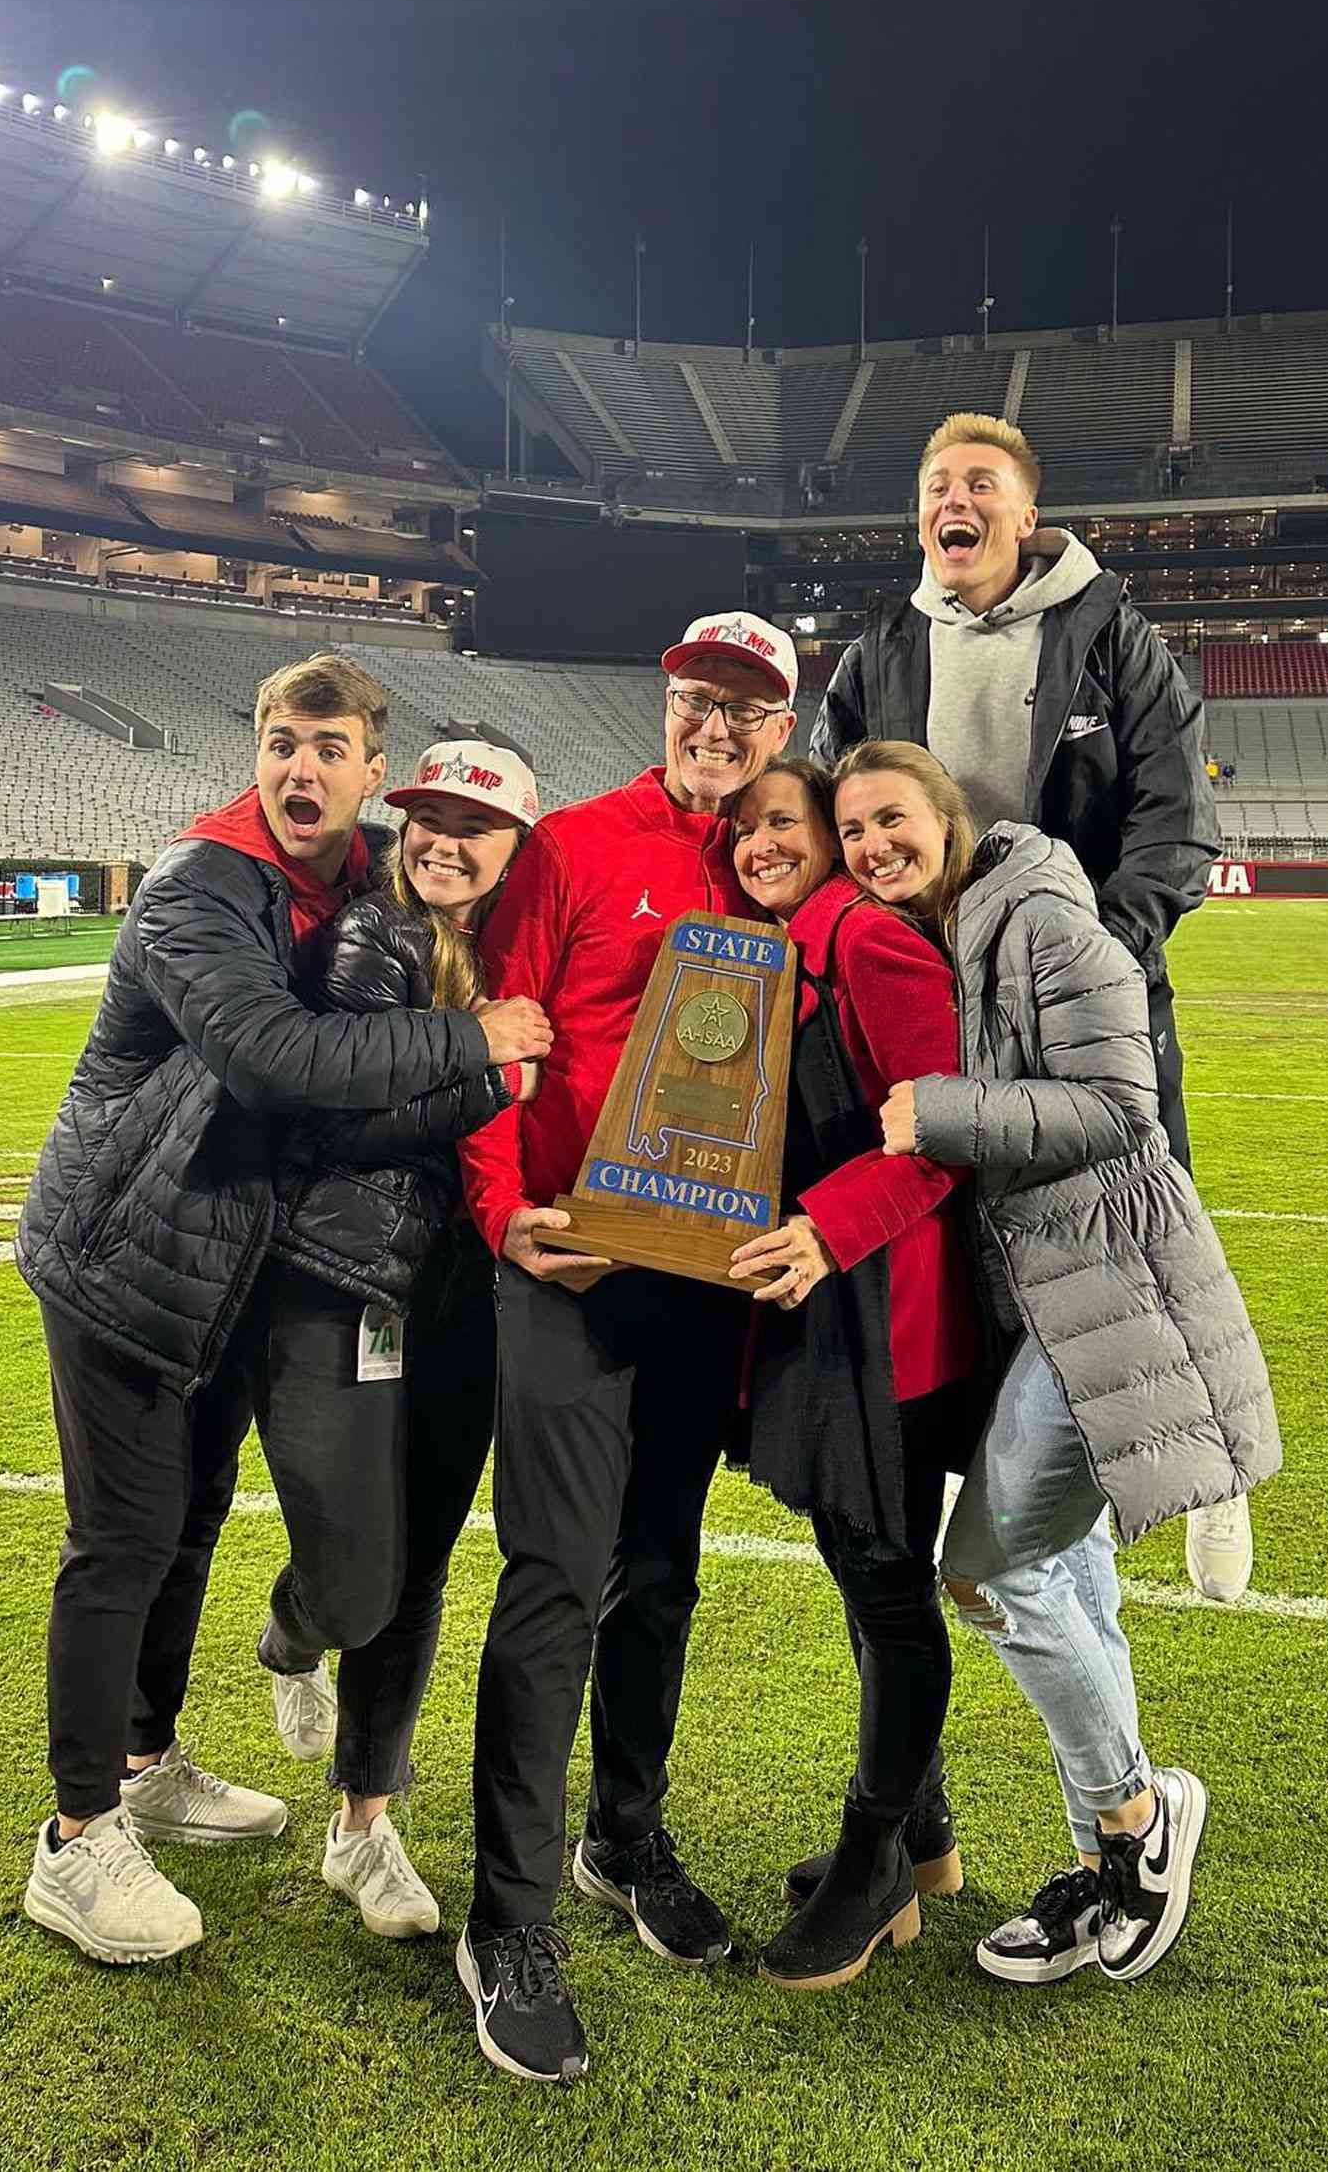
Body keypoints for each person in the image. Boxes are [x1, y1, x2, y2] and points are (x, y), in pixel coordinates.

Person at [15, 656, 551, 1967]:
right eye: (279, 740)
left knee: (188, 1519)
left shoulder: (351, 871)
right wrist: (486, 1046)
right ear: (255, 750)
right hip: (124, 1252)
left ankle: (144, 1761)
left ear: (371, 769)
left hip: (218, 1261)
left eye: (328, 746)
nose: (299, 767)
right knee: (126, 1537)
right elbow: (280, 1059)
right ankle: (77, 1838)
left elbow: (468, 855)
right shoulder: (200, 883)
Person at [833, 740, 1280, 1990]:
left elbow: (1117, 1100)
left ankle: (1137, 1818)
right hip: (1041, 1306)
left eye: (889, 819)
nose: (870, 846)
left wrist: (943, 1109)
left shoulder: (1037, 914)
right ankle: (1109, 1855)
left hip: (1108, 1293)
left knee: (990, 1570)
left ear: (948, 815)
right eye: (850, 830)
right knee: (1070, 1577)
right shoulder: (949, 924)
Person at [807, 415, 1248, 1606]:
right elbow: (823, 806)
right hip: (928, 987)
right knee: (977, 1242)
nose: (953, 500)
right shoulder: (881, 645)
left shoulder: (1108, 631)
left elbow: (1172, 819)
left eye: (978, 484)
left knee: (1135, 1228)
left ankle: (1210, 1470)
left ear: (1023, 513)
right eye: (934, 483)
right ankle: (1005, 1477)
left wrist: (1092, 953)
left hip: (1071, 971)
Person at [454, 610, 798, 2084]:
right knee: (554, 1579)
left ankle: (623, 1831)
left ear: (783, 727)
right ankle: (505, 1916)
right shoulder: (577, 844)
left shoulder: (789, 860)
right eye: (696, 697)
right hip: (568, 1266)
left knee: (661, 1570)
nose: (715, 724)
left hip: (701, 1282)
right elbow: (490, 1029)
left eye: (746, 706)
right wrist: (502, 1210)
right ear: (664, 701)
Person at [256, 740, 541, 1943]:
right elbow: (345, 1113)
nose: (441, 839)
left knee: (419, 1560)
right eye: (425, 813)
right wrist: (493, 1069)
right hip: (344, 1282)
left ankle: (362, 1826)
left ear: (518, 843)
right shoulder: (374, 937)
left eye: (474, 823)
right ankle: (292, 1624)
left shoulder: (512, 949)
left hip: (461, 1292)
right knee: (355, 1566)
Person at [721, 760, 980, 1989]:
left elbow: (943, 1141)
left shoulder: (868, 942)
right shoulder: (787, 943)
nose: (761, 842)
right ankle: (922, 1839)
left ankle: (875, 1860)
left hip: (886, 1313)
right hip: (826, 1302)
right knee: (857, 1567)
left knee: (884, 1588)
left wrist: (826, 1227)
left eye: (785, 822)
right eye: (744, 828)